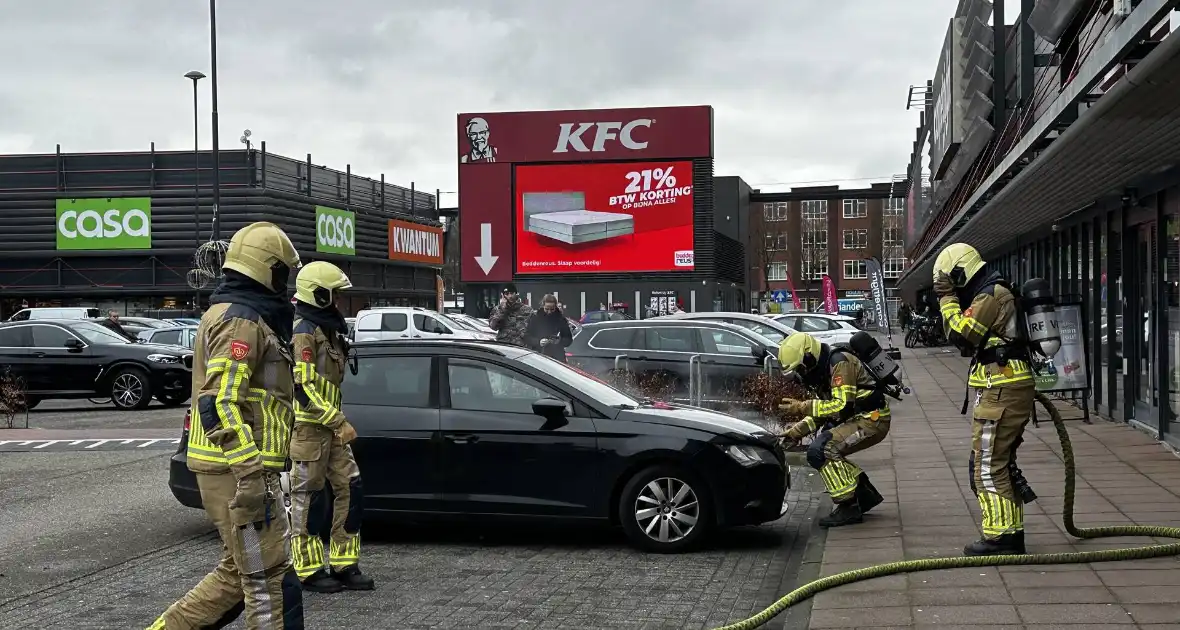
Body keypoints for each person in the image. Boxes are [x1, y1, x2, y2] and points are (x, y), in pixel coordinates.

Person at [150, 222, 303, 629]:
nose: (287, 283)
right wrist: (250, 475)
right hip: (236, 472)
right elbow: (219, 402)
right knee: (267, 580)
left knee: (239, 574)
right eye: (283, 272)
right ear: (267, 268)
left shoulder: (242, 314)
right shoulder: (242, 321)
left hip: (234, 469)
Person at [933, 242, 1036, 557]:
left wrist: (947, 299)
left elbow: (962, 334)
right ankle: (1010, 531)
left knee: (987, 466)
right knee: (999, 462)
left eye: (949, 280)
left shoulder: (990, 295)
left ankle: (1001, 537)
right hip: (1003, 386)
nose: (950, 287)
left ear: (959, 273)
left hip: (1001, 388)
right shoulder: (989, 292)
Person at [288, 261, 375, 593]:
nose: (339, 301)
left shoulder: (328, 329)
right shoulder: (303, 331)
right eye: (334, 294)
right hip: (309, 430)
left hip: (331, 430)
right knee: (309, 501)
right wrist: (338, 421)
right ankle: (308, 570)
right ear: (318, 294)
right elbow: (303, 388)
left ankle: (344, 564)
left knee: (351, 489)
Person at [776, 332, 888, 528]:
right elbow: (824, 411)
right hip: (860, 418)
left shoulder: (839, 363)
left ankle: (849, 506)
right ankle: (865, 495)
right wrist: (796, 432)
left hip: (872, 420)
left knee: (822, 449)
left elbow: (841, 406)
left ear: (809, 356)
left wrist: (802, 407)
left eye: (800, 368)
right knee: (821, 449)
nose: (801, 374)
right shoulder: (823, 369)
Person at [525, 294, 573, 362]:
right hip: (539, 356)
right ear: (543, 306)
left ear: (555, 307)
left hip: (557, 357)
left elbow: (569, 339)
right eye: (547, 309)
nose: (549, 312)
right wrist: (538, 342)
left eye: (552, 309)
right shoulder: (535, 318)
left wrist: (559, 341)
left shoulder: (561, 319)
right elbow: (527, 337)